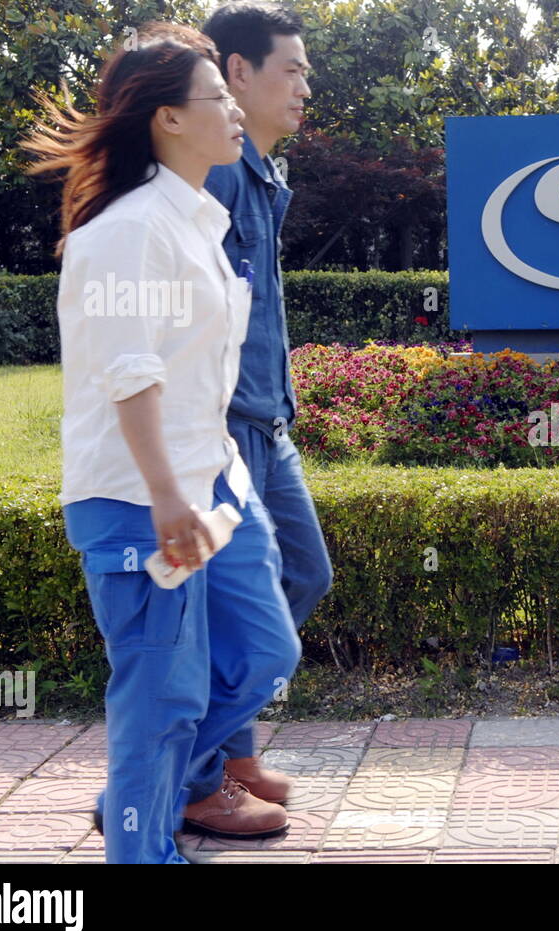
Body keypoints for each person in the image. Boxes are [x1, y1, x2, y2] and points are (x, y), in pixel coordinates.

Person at [22, 21, 301, 863]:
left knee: (266, 652)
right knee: (161, 699)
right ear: (169, 119)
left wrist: (216, 489)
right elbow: (131, 372)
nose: (234, 111)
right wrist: (170, 495)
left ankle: (146, 783)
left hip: (212, 485)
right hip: (141, 502)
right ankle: (143, 841)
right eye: (217, 96)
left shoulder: (199, 223)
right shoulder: (125, 231)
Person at [197, 0, 333, 802]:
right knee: (245, 605)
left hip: (265, 420)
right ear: (237, 72)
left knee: (304, 573)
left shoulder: (258, 169)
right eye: (293, 69)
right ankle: (202, 770)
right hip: (223, 425)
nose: (306, 87)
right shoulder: (212, 170)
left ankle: (230, 751)